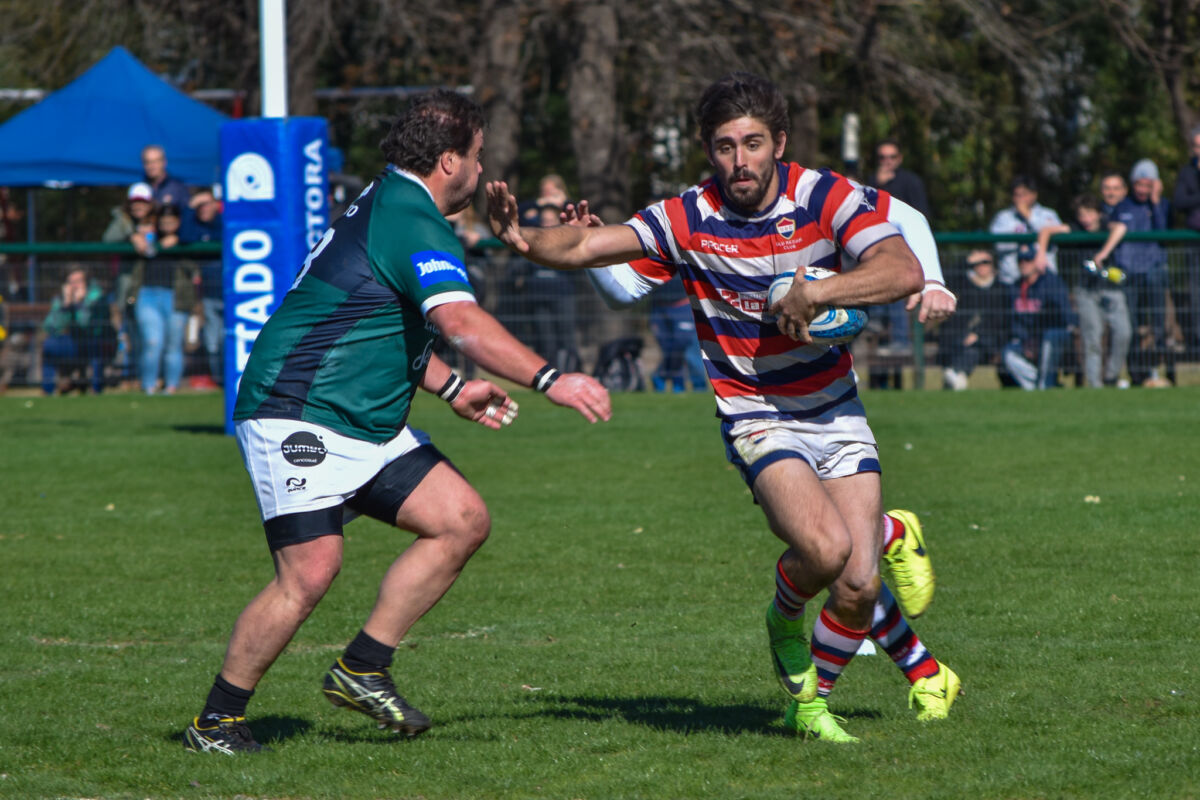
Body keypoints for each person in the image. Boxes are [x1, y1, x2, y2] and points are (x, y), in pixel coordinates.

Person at [488, 72, 959, 742]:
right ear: (707, 152)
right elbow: (592, 244)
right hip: (756, 413)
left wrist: (821, 295)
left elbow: (902, 268)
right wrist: (526, 239)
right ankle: (784, 620)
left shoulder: (822, 195)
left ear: (779, 143)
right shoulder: (687, 216)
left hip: (836, 408)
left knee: (857, 584)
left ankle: (810, 702)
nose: (740, 161)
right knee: (823, 552)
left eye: (753, 144)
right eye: (724, 147)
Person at [182, 89, 611, 755]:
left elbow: (373, 322)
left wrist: (450, 386)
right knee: (311, 571)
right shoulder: (410, 216)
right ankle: (216, 722)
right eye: (475, 156)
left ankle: (363, 668)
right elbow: (459, 322)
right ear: (448, 162)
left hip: (364, 419)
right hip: (299, 410)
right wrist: (554, 379)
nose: (479, 168)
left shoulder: (397, 204)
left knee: (461, 520)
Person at [1036, 195, 1131, 388]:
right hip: (1086, 290)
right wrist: (1041, 254)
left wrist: (1103, 253)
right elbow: (1046, 231)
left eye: (1089, 214)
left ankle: (1112, 375)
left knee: (1123, 332)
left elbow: (1121, 228)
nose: (1085, 219)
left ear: (1098, 213)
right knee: (1092, 337)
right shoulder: (1075, 227)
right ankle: (1095, 384)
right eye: (1081, 215)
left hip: (1111, 289)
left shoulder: (1107, 224)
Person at [869, 138, 931, 357]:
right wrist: (879, 184)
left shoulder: (910, 182)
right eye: (882, 157)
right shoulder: (870, 183)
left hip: (903, 249)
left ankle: (900, 340)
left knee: (897, 291)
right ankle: (875, 321)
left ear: (899, 159)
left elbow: (920, 215)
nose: (886, 161)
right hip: (875, 248)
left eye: (891, 157)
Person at [1111, 159, 1171, 386]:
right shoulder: (1123, 206)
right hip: (1129, 273)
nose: (1143, 190)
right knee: (1132, 326)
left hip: (1153, 270)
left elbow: (1163, 232)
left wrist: (1155, 202)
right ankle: (1136, 373)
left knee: (1158, 325)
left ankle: (1162, 371)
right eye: (1140, 184)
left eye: (1149, 185)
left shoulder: (1161, 204)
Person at [130, 203, 196, 394]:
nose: (167, 225)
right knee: (153, 342)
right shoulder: (147, 236)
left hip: (176, 297)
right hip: (147, 295)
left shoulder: (186, 237)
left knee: (173, 344)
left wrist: (178, 238)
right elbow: (116, 234)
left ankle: (171, 387)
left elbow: (199, 232)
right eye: (163, 222)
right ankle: (148, 387)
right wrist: (134, 237)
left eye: (171, 222)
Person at [1002, 245, 1077, 390]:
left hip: (1055, 336)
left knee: (1051, 337)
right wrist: (1026, 340)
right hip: (1029, 340)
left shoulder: (1051, 282)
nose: (1024, 264)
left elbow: (1063, 317)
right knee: (1009, 351)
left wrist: (1038, 338)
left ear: (1037, 262)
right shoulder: (1015, 287)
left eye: (1028, 260)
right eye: (1021, 261)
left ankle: (1046, 384)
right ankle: (1034, 386)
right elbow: (1014, 322)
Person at [939, 250, 1009, 390]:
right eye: (976, 263)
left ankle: (956, 374)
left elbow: (1000, 320)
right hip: (962, 339)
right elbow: (946, 276)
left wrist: (977, 334)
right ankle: (957, 376)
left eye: (985, 262)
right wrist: (966, 260)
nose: (981, 266)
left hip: (990, 339)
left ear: (992, 265)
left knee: (975, 347)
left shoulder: (1001, 288)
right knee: (963, 345)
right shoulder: (965, 285)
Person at [40, 267, 111, 394]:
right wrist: (66, 305)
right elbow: (51, 327)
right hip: (71, 342)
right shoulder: (62, 299)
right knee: (49, 345)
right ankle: (48, 391)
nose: (74, 285)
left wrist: (80, 304)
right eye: (71, 282)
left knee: (94, 348)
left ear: (87, 283)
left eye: (78, 281)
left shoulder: (96, 297)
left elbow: (85, 324)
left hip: (92, 341)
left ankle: (95, 388)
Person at [180, 188, 224, 387]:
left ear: (215, 204)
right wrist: (189, 208)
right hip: (208, 293)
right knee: (212, 340)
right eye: (199, 206)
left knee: (228, 338)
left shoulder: (223, 223)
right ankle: (219, 379)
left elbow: (222, 231)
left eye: (207, 204)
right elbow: (185, 236)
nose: (203, 209)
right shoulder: (194, 225)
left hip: (230, 293)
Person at [990, 175, 1063, 285]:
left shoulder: (1048, 215)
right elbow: (998, 244)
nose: (1019, 199)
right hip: (1012, 280)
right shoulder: (1003, 217)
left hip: (1044, 280)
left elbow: (1057, 236)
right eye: (1016, 195)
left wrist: (1028, 216)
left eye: (1024, 195)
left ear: (1034, 195)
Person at [1172, 125, 1200, 355]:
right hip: (1195, 242)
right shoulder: (1187, 173)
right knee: (1196, 294)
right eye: (1197, 146)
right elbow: (1179, 202)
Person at [140, 145, 189, 209]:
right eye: (147, 162)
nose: (151, 166)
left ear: (164, 162)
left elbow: (187, 213)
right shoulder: (140, 189)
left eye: (155, 161)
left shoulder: (177, 188)